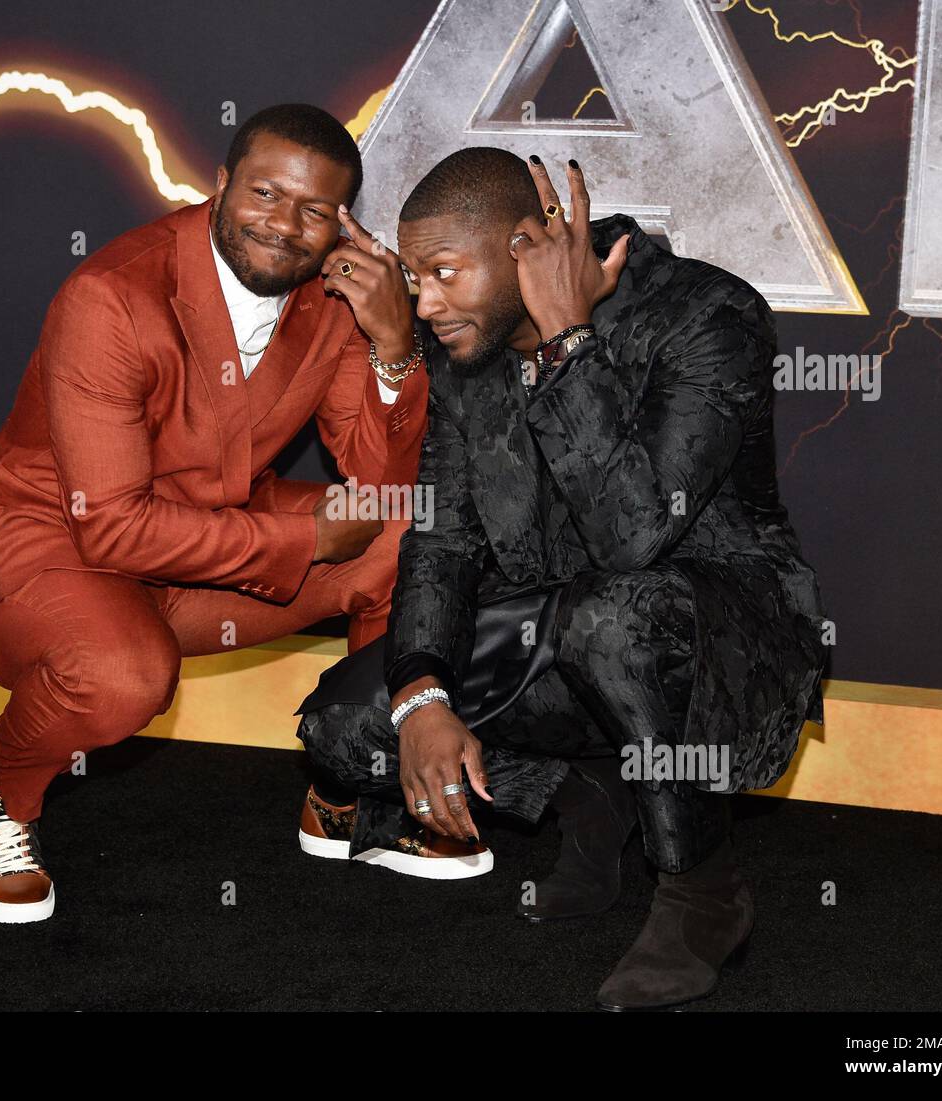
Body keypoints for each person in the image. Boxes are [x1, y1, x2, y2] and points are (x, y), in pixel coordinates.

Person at [295, 146, 827, 1009]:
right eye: (413, 275)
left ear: (521, 250)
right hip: (560, 622)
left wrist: (570, 342)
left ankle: (700, 890)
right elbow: (444, 542)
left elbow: (632, 536)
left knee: (611, 620)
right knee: (345, 726)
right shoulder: (467, 354)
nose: (421, 304)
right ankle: (603, 782)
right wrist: (423, 696)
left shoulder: (704, 314)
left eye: (441, 274)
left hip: (721, 634)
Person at [0, 103, 430, 923]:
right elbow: (111, 526)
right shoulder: (113, 296)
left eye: (315, 210)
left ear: (343, 222)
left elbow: (381, 477)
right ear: (220, 185)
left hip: (210, 545)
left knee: (409, 536)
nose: (284, 225)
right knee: (124, 674)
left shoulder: (338, 297)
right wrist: (304, 535)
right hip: (52, 547)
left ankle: (347, 774)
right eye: (266, 194)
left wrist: (393, 343)